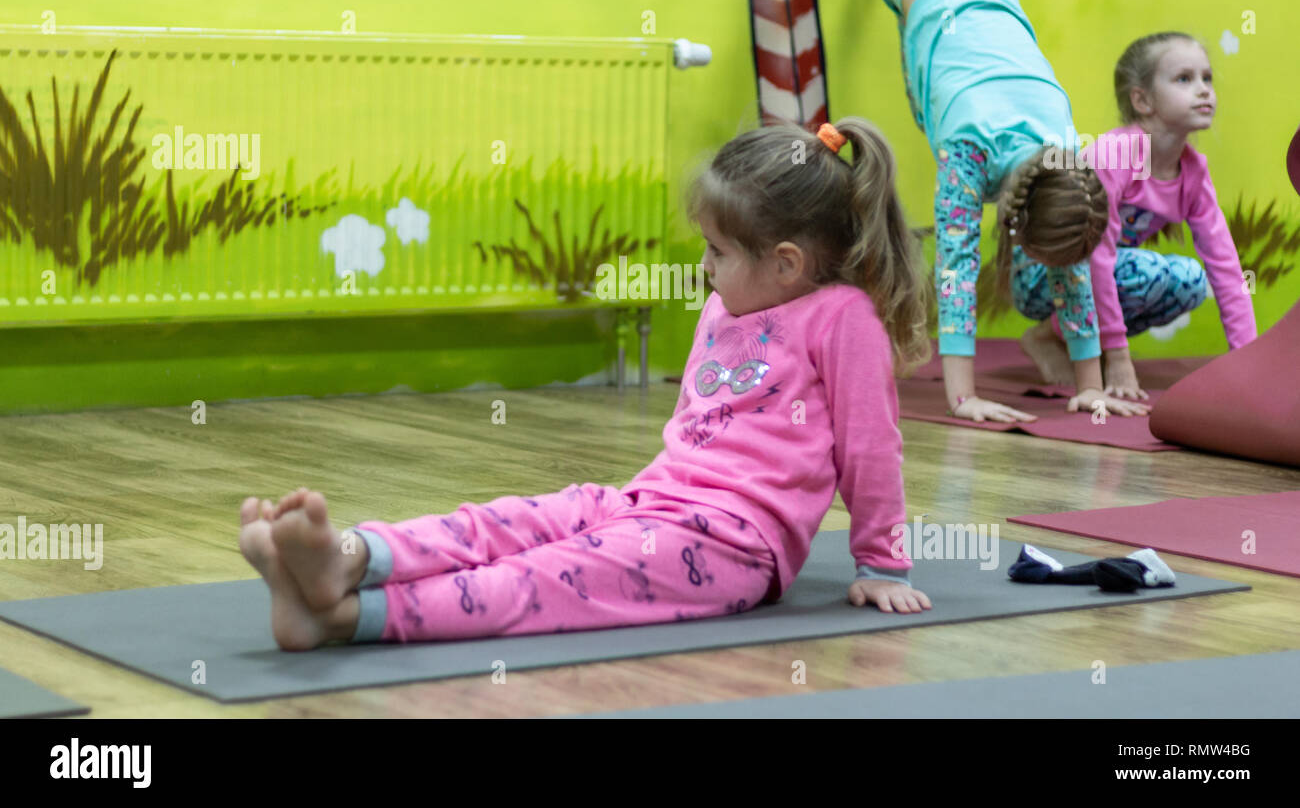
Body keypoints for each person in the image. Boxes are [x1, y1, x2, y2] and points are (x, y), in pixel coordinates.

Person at [238, 117, 933, 649]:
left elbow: (872, 449)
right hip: (644, 498)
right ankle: (349, 560)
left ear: (785, 263)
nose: (705, 265)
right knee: (508, 520)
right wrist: (638, 504)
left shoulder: (844, 320)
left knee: (547, 577)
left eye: (718, 251)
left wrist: (881, 564)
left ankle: (343, 619)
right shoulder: (727, 304)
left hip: (732, 546)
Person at [791, 0, 1149, 420]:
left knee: (923, 79)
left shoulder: (1067, 162)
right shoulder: (969, 148)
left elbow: (1075, 270)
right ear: (1016, 219)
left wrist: (1092, 386)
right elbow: (955, 267)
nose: (1057, 272)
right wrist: (963, 396)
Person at [1055, 32, 1255, 397]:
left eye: (1207, 78)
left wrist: (1248, 361)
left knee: (1191, 282)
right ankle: (1066, 332)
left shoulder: (1193, 170)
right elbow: (1096, 255)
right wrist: (1117, 358)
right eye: (1184, 79)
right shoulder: (1114, 155)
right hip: (1047, 269)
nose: (1203, 90)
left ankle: (1054, 334)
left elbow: (1225, 265)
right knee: (1142, 271)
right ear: (1142, 100)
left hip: (1107, 271)